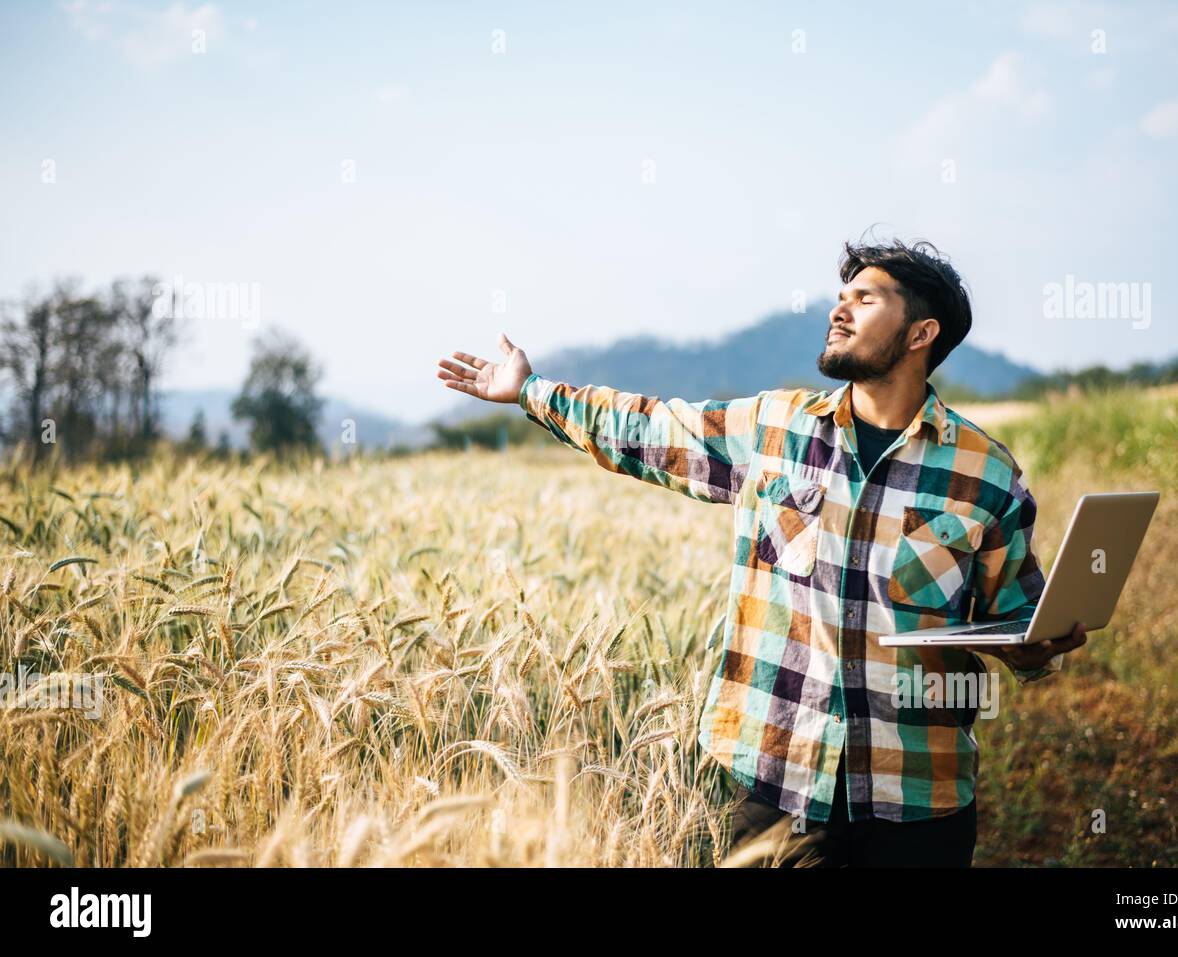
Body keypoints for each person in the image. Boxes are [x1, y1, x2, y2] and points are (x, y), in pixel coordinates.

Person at [437, 236, 1088, 867]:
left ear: (921, 334)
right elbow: (647, 427)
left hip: (918, 799)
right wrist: (530, 391)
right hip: (777, 782)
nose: (838, 308)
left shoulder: (987, 473)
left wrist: (1035, 645)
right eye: (842, 294)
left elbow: (1015, 621)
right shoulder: (775, 429)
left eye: (865, 298)